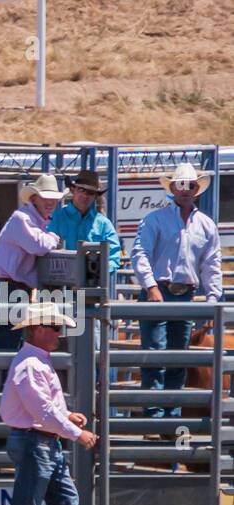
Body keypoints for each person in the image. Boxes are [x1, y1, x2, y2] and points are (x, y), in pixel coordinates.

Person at [0, 303, 98, 505]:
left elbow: (44, 406)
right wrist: (76, 433)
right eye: (55, 328)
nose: (59, 333)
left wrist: (67, 417)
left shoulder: (35, 361)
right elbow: (40, 408)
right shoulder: (31, 364)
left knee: (64, 502)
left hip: (42, 442)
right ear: (39, 329)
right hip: (34, 442)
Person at [129, 162, 223, 420]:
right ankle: (156, 416)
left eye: (190, 185)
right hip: (158, 290)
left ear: (197, 189)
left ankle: (170, 416)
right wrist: (150, 286)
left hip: (185, 294)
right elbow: (140, 254)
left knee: (178, 358)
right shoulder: (154, 220)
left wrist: (213, 299)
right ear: (172, 187)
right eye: (180, 184)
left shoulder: (205, 225)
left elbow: (212, 264)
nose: (185, 189)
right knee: (156, 355)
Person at [0, 172, 64, 388]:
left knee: (8, 348)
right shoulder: (22, 219)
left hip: (15, 290)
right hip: (10, 290)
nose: (50, 202)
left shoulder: (32, 221)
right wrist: (54, 239)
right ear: (34, 198)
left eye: (53, 199)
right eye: (45, 197)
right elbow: (39, 245)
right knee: (5, 349)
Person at [47, 169, 122, 278]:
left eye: (90, 192)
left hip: (91, 285)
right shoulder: (56, 219)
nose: (85, 195)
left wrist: (97, 271)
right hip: (62, 283)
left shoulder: (104, 224)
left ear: (95, 196)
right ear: (73, 190)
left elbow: (113, 256)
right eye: (81, 190)